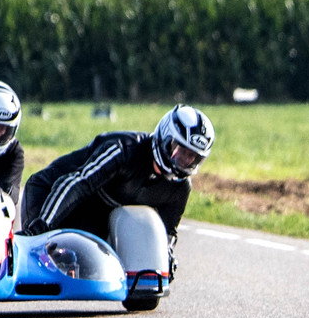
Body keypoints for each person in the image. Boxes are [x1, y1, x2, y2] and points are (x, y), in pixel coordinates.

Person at [20, 104, 214, 251]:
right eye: (181, 150)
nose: (184, 160)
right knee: (41, 251)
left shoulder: (180, 188)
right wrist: (39, 228)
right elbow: (77, 183)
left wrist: (166, 256)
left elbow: (167, 231)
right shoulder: (123, 150)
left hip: (98, 218)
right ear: (165, 137)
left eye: (192, 156)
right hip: (51, 196)